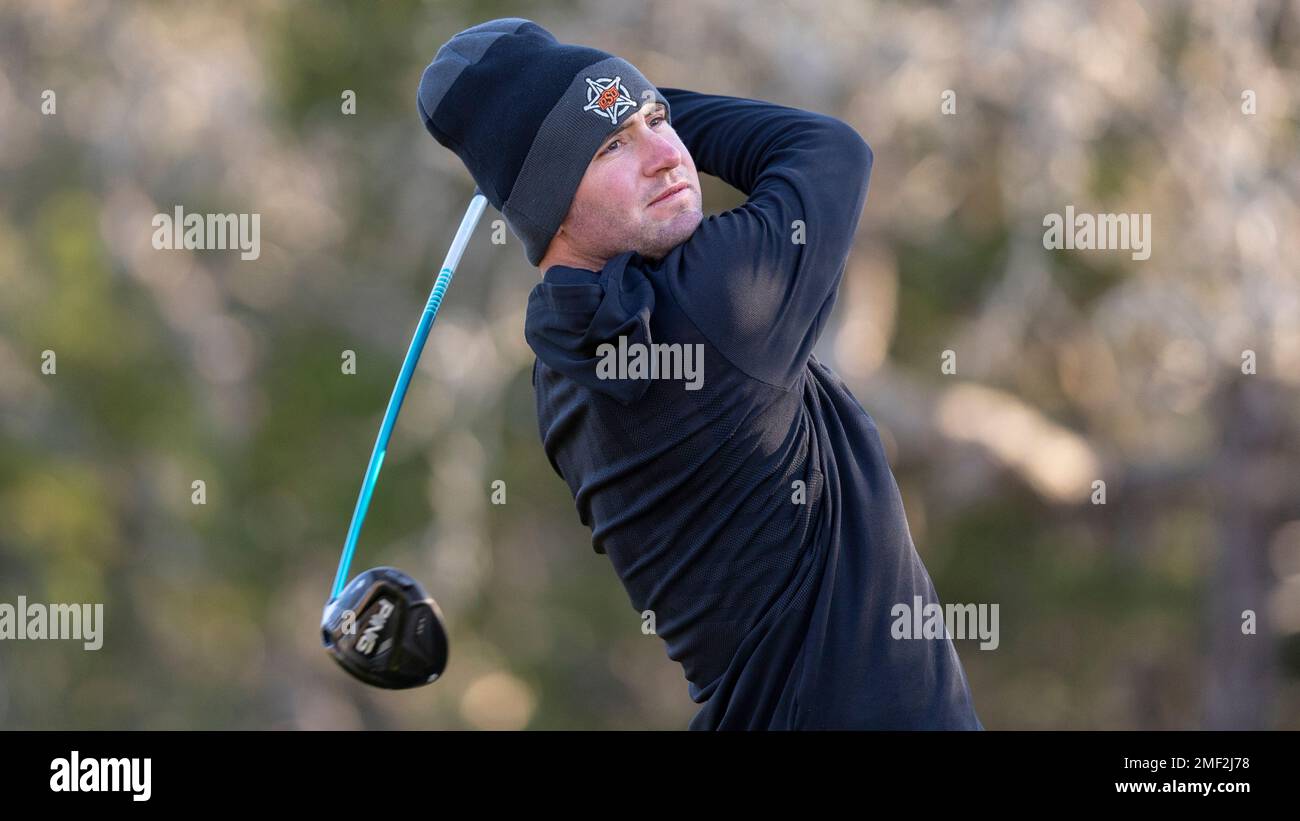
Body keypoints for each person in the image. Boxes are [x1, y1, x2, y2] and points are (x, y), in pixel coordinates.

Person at [419, 17, 983, 729]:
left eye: (660, 119)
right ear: (549, 205)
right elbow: (829, 150)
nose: (666, 155)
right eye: (611, 147)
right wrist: (650, 97)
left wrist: (600, 114)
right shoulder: (715, 304)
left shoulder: (557, 376)